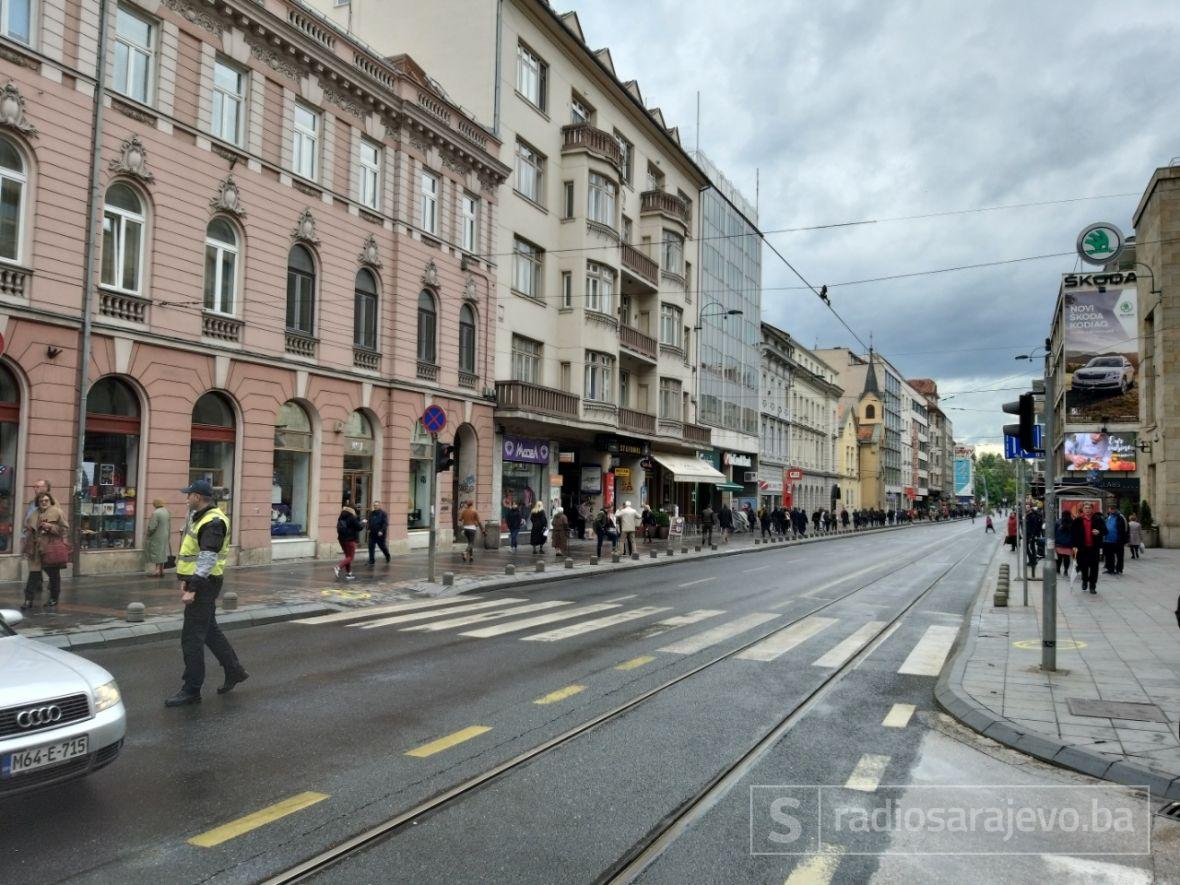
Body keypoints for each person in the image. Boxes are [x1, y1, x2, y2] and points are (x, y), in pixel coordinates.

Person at [166, 480, 247, 707]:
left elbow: (208, 558)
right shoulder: (201, 517)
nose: (186, 498)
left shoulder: (213, 521)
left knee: (191, 639)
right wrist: (186, 579)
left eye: (188, 495)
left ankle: (192, 690)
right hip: (202, 582)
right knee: (210, 631)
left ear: (198, 497)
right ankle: (235, 670)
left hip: (205, 584)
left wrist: (192, 587)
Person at [23, 492, 68, 610]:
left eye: (46, 500)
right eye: (41, 500)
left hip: (50, 548)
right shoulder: (33, 514)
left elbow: (64, 529)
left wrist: (51, 527)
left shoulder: (57, 512)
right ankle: (28, 600)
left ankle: (54, 598)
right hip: (35, 550)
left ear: (50, 501)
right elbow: (28, 529)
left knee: (54, 576)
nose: (43, 502)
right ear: (38, 502)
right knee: (33, 575)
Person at [1071, 501, 1104, 595]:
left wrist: (1099, 531)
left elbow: (1105, 530)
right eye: (1086, 508)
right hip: (1082, 548)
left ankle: (1092, 586)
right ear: (1083, 509)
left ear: (1092, 509)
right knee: (1084, 567)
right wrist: (1074, 546)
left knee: (1094, 567)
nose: (1087, 510)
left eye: (1089, 508)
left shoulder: (1098, 519)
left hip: (1094, 548)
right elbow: (1073, 534)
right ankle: (1085, 581)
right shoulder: (1078, 520)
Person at [334, 504, 363, 580]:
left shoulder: (341, 516)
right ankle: (338, 567)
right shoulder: (352, 517)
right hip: (350, 539)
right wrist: (363, 522)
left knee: (347, 557)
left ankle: (349, 573)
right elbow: (359, 527)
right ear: (352, 510)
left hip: (341, 539)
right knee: (351, 557)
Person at [146, 498, 171, 577]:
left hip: (157, 535)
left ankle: (156, 571)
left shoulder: (156, 513)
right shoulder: (166, 512)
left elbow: (152, 526)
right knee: (162, 552)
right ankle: (161, 570)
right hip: (165, 534)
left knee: (156, 552)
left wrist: (148, 533)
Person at [1103, 504, 1128, 576]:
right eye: (1111, 509)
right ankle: (1110, 569)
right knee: (1109, 555)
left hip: (1118, 540)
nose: (1111, 510)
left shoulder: (1120, 517)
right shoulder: (1108, 517)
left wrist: (1124, 539)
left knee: (1119, 556)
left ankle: (1119, 569)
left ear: (1116, 509)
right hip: (1108, 540)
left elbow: (1126, 528)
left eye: (1113, 509)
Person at [1054, 510, 1074, 578]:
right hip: (1068, 544)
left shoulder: (1058, 522)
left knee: (1059, 557)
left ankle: (1058, 569)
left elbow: (1054, 532)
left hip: (1059, 543)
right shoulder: (1072, 522)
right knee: (1066, 558)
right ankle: (1065, 570)